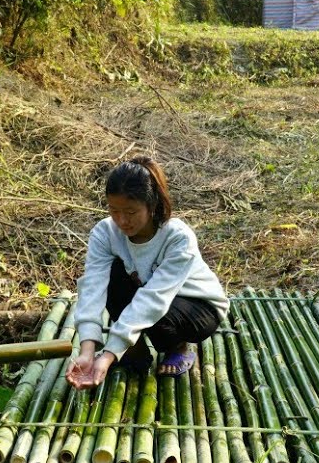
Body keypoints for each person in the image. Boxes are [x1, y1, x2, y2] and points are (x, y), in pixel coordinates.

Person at [66, 157, 229, 390]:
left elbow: (153, 299)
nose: (122, 220)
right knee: (111, 277)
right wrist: (88, 350)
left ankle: (178, 347)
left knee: (159, 317)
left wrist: (109, 353)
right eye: (114, 210)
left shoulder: (178, 238)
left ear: (151, 206)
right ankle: (134, 352)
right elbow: (92, 289)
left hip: (197, 307)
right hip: (149, 296)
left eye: (131, 212)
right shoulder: (105, 233)